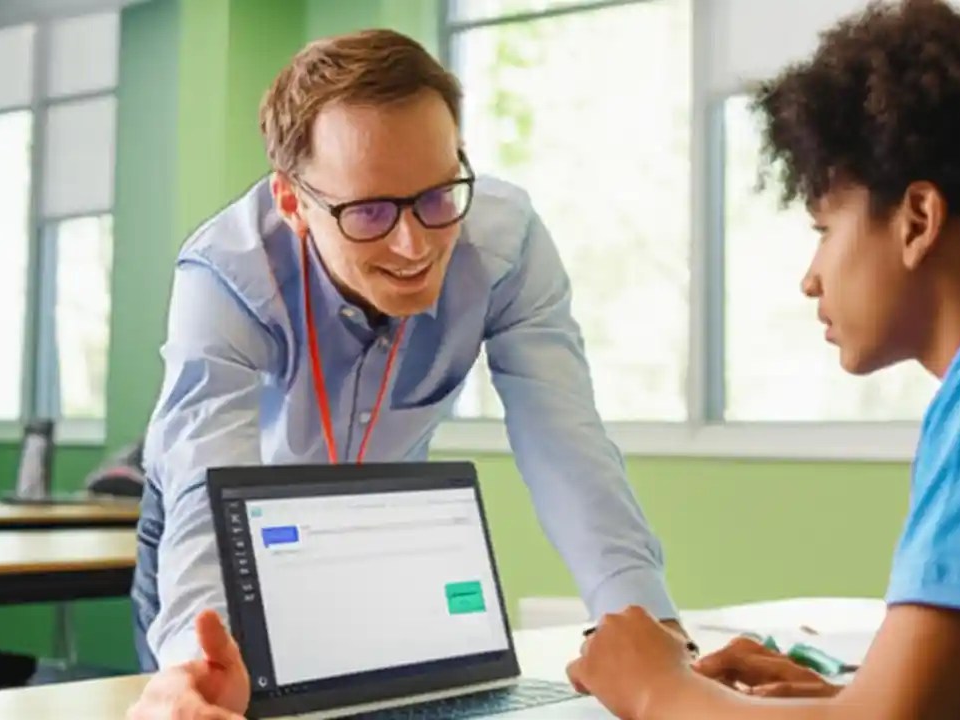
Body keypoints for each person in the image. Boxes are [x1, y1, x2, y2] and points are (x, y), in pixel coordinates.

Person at [567, 1, 960, 718]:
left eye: (824, 229)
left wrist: (657, 687)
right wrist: (840, 700)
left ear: (918, 220)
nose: (810, 278)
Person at [126, 29, 684, 719]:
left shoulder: (505, 243)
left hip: (379, 524)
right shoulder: (228, 273)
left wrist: (645, 621)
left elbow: (564, 436)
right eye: (368, 211)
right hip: (232, 533)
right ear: (293, 203)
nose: (413, 244)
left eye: (437, 196)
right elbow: (201, 480)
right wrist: (195, 661)